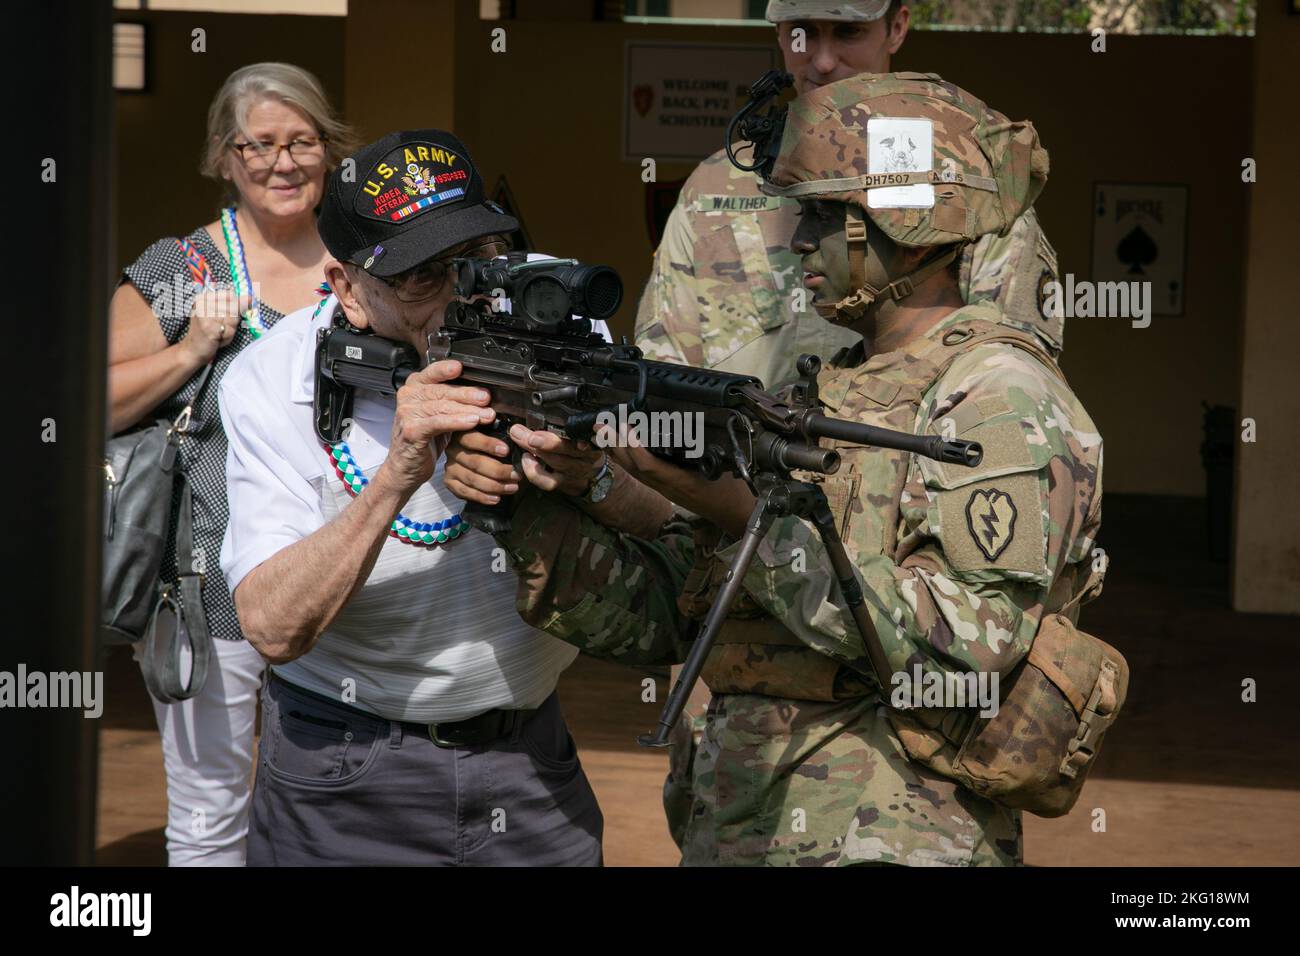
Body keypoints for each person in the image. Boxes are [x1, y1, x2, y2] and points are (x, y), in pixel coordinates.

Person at [451, 72, 1103, 866]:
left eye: (824, 216)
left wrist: (737, 517)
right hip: (747, 821)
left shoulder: (998, 398)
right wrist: (527, 498)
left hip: (893, 836)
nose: (796, 240)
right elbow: (677, 615)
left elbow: (962, 653)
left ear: (904, 222)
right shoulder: (827, 386)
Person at [633, 0, 1066, 847]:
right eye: (801, 32)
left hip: (905, 713)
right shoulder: (716, 195)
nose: (821, 59)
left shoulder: (960, 178)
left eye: (847, 31)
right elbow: (663, 411)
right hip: (753, 671)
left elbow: (1006, 435)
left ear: (898, 26)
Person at [218, 129, 605, 866]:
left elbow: (668, 512)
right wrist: (399, 470)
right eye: (422, 277)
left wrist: (592, 474)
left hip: (528, 762)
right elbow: (270, 626)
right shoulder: (275, 380)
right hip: (343, 775)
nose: (461, 296)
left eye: (475, 261)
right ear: (347, 290)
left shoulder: (558, 317)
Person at [107, 62, 355, 866]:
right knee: (213, 812)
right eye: (261, 146)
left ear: (329, 151)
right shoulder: (183, 271)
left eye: (303, 142)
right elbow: (87, 405)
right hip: (204, 587)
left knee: (338, 802)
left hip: (342, 582)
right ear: (224, 156)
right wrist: (192, 350)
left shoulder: (368, 264)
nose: (284, 164)